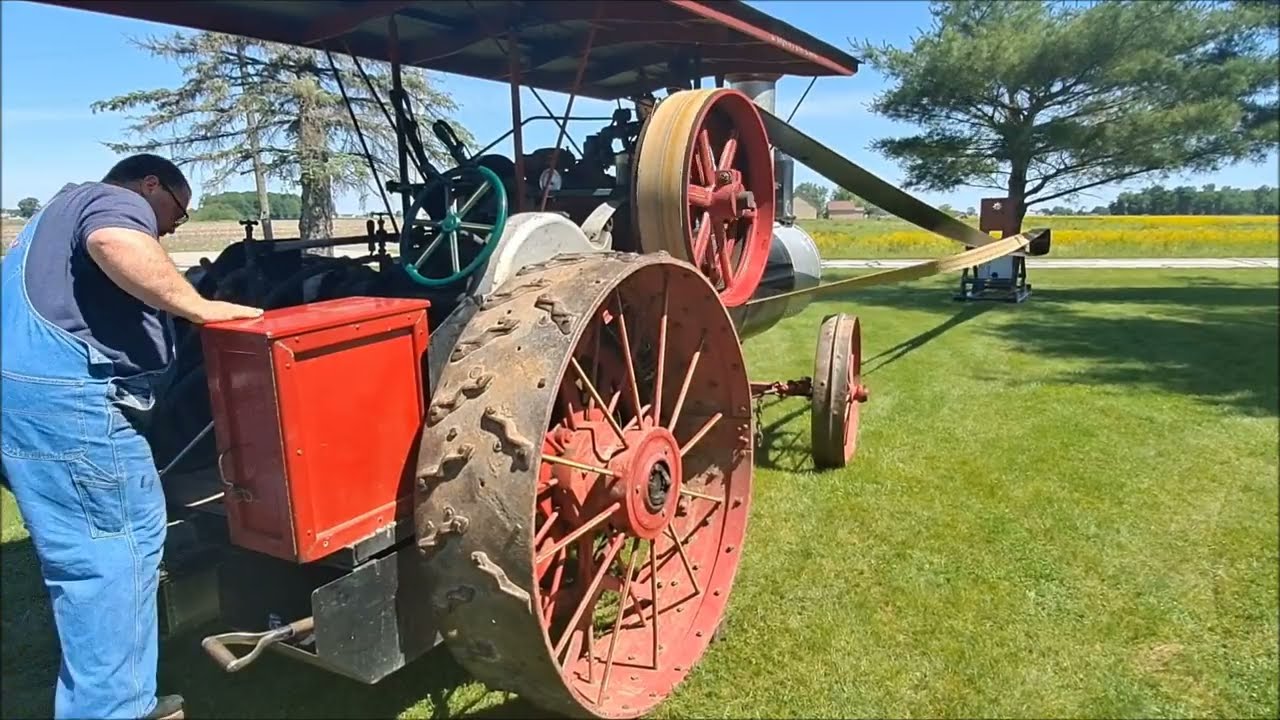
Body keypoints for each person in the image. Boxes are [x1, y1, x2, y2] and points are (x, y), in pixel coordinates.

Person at [1, 154, 263, 719]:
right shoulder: (114, 201)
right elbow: (114, 242)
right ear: (151, 185)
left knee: (78, 551)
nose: (171, 229)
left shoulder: (49, 218)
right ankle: (115, 709)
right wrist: (200, 308)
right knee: (111, 555)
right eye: (177, 213)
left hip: (26, 401)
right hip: (73, 404)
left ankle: (109, 694)